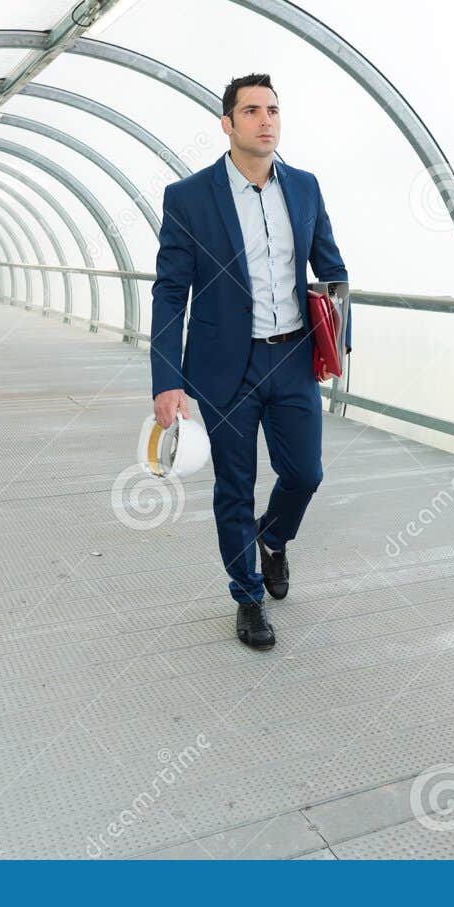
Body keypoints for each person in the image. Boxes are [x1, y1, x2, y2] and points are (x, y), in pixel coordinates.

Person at [149, 73, 351, 650]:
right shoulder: (188, 197)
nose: (267, 121)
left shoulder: (306, 188)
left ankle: (274, 537)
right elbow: (170, 291)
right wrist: (167, 380)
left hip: (292, 360)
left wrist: (338, 344)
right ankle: (248, 597)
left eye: (274, 110)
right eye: (253, 111)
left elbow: (333, 272)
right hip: (224, 370)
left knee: (305, 474)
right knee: (234, 486)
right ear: (228, 124)